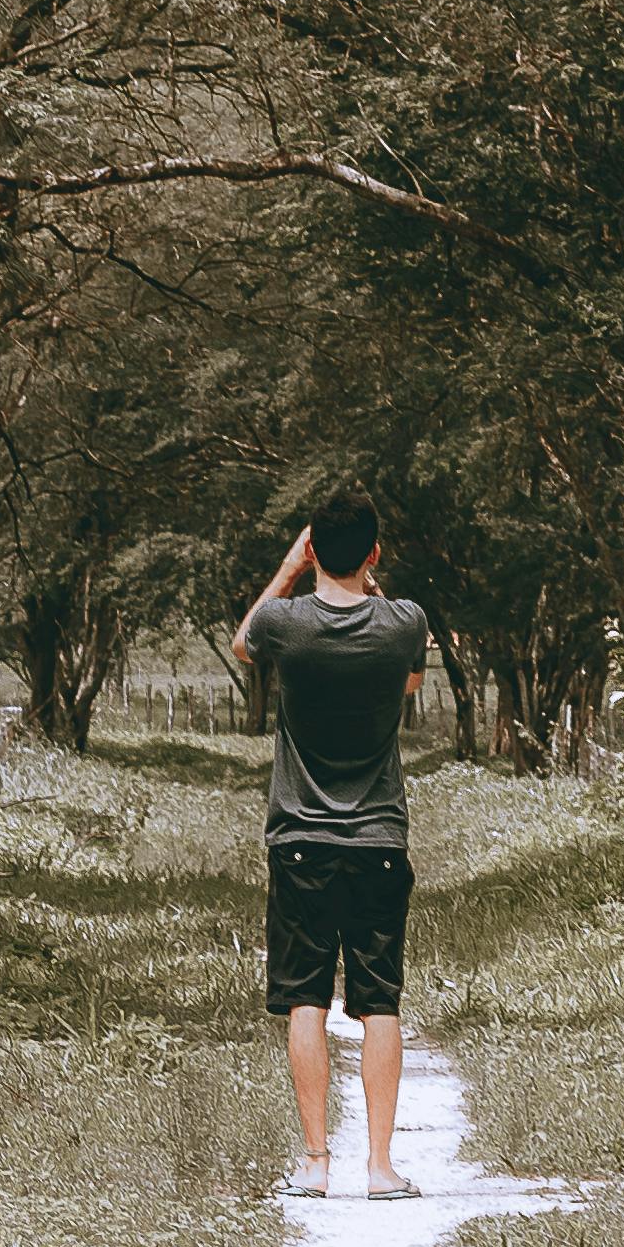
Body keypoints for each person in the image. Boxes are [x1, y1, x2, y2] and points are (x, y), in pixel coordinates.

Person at [232, 490, 430, 1200]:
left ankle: (315, 1162)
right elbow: (407, 681)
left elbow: (241, 642)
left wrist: (290, 570)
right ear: (374, 554)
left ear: (311, 549)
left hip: (300, 841)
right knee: (381, 1002)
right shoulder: (405, 622)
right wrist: (368, 583)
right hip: (378, 837)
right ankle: (379, 1167)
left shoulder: (285, 625)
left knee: (306, 1001)